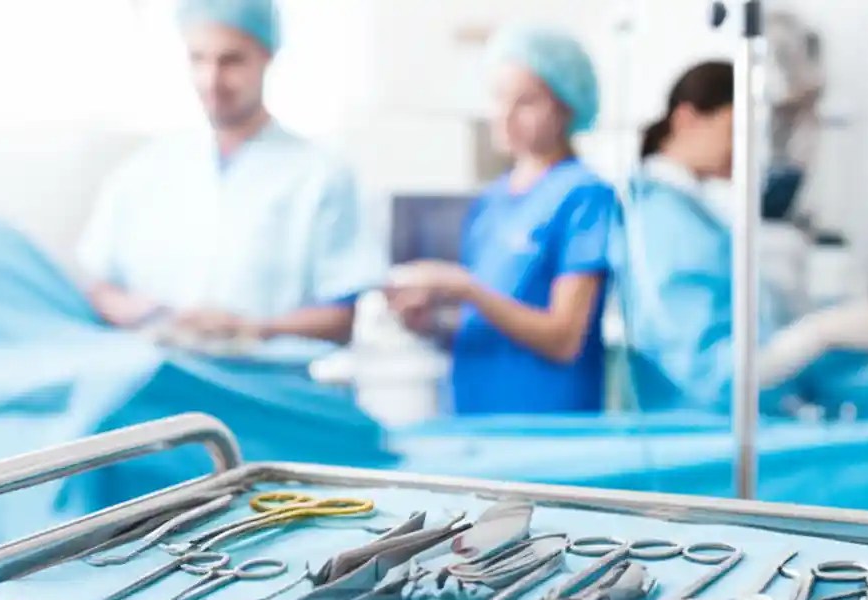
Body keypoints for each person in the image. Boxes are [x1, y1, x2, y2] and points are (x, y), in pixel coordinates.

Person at [621, 61, 868, 416]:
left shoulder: (691, 214)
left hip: (753, 411)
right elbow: (714, 375)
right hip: (707, 427)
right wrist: (819, 334)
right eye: (734, 131)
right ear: (687, 119)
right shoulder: (663, 220)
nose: (743, 151)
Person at [77, 0, 383, 344]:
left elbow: (341, 314)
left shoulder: (321, 175)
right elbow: (97, 283)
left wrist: (255, 330)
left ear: (267, 57)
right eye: (198, 59)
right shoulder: (142, 171)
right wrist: (152, 315)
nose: (212, 80)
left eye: (231, 60)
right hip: (161, 377)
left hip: (269, 383)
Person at [387, 26, 617, 415]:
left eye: (526, 101)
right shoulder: (491, 201)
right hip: (472, 414)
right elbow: (484, 319)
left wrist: (464, 288)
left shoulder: (584, 194)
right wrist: (431, 321)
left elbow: (564, 337)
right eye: (499, 98)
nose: (505, 116)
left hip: (544, 420)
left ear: (567, 106)